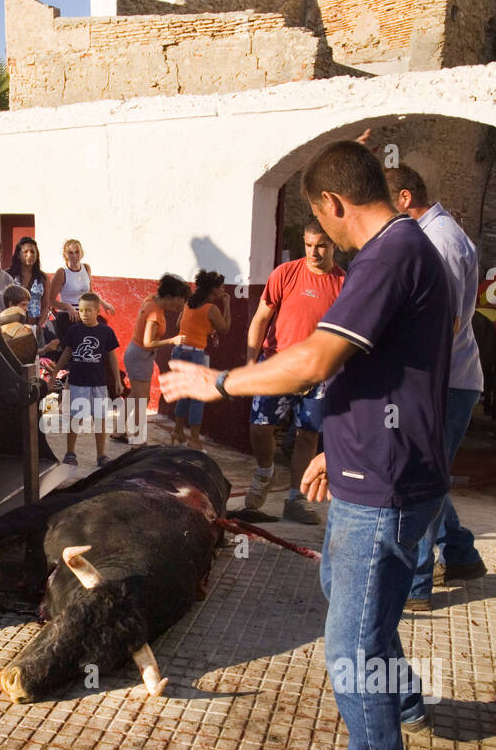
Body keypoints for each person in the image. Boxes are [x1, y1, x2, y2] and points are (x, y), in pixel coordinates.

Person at [161, 140, 452, 750]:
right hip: (381, 468)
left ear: (332, 204)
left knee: (349, 646)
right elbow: (375, 369)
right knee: (354, 610)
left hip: (381, 487)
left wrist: (219, 381)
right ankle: (407, 702)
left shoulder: (387, 256)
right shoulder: (409, 249)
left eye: (319, 221)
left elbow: (315, 360)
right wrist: (331, 446)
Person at [387, 164, 488, 608]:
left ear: (405, 198)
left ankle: (416, 584)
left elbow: (442, 323)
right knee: (432, 475)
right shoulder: (434, 234)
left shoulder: (439, 240)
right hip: (447, 378)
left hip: (444, 381)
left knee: (421, 480)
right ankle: (461, 554)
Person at [244, 219, 345, 525]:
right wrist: (250, 363)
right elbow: (261, 318)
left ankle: (295, 501)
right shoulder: (285, 273)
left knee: (307, 436)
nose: (314, 252)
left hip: (319, 373)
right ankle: (264, 474)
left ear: (334, 245)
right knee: (260, 427)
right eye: (309, 245)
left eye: (321, 246)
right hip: (277, 365)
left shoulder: (344, 283)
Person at [53, 292, 122, 468]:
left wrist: (117, 380)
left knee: (100, 419)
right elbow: (66, 354)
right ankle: (70, 453)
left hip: (99, 383)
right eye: (82, 310)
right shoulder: (74, 330)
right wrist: (54, 375)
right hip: (78, 383)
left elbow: (112, 357)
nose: (84, 314)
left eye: (89, 310)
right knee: (76, 419)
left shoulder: (106, 332)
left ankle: (101, 455)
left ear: (98, 311)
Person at [122, 274, 190, 442]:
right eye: (180, 299)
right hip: (140, 356)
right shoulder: (155, 312)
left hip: (138, 355)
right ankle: (138, 442)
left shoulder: (153, 300)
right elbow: (148, 342)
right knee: (142, 400)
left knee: (135, 396)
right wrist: (171, 340)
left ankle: (118, 431)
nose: (181, 304)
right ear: (168, 297)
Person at [171, 270, 231, 450]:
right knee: (198, 396)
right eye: (221, 288)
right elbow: (225, 328)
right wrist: (227, 305)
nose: (223, 291)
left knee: (185, 393)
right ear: (213, 291)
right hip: (195, 354)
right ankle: (194, 440)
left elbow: (178, 325)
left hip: (179, 351)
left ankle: (178, 431)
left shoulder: (189, 303)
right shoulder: (211, 309)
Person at [47, 239, 115, 322]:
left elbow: (90, 293)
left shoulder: (86, 268)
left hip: (85, 314)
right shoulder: (61, 272)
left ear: (82, 253)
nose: (74, 255)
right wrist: (68, 307)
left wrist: (104, 304)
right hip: (68, 315)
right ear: (65, 254)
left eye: (77, 252)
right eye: (71, 253)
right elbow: (50, 300)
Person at [10, 237, 49, 327]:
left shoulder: (43, 278)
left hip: (34, 326)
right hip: (12, 327)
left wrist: (38, 326)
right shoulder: (9, 275)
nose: (30, 255)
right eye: (25, 252)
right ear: (18, 255)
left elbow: (45, 305)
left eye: (32, 252)